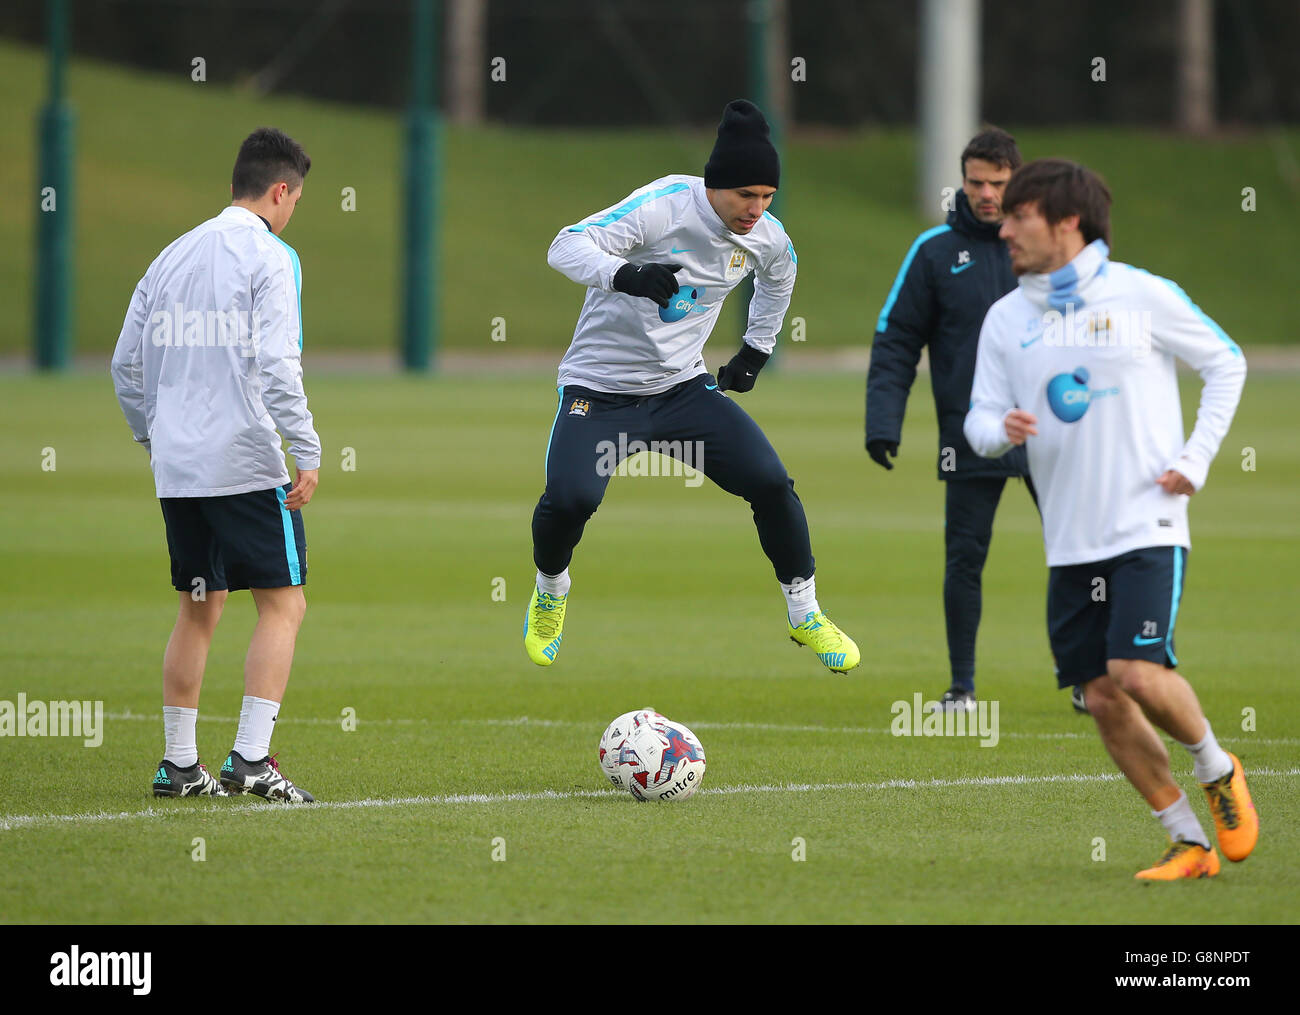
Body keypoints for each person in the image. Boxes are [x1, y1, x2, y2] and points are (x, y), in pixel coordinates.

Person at [964, 158, 1255, 879]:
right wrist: (1001, 427)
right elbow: (974, 422)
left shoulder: (1142, 295)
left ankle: (1218, 768)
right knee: (1099, 694)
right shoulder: (1006, 317)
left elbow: (1227, 363)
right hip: (1068, 540)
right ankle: (1187, 840)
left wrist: (1197, 457)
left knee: (1136, 670)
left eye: (1018, 216)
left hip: (1147, 524)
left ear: (1067, 221)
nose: (1002, 228)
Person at [524, 99, 859, 674]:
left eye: (767, 198)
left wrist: (756, 350)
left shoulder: (766, 237)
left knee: (772, 483)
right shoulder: (662, 207)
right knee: (570, 500)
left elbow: (779, 279)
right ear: (714, 185)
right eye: (745, 196)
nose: (756, 210)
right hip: (598, 392)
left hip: (681, 391)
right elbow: (564, 245)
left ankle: (804, 614)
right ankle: (551, 590)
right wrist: (626, 273)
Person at [110, 127, 319, 804]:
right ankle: (252, 759)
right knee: (284, 603)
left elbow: (124, 366)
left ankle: (178, 765)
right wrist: (307, 450)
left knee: (199, 605)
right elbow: (278, 364)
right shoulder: (272, 254)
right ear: (280, 191)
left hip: (179, 465)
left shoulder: (171, 254)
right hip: (244, 460)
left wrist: (155, 438)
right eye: (296, 199)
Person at [867, 129, 1079, 713]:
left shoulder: (1052, 248)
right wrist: (884, 419)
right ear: (962, 181)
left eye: (998, 183)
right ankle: (962, 688)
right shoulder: (935, 251)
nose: (986, 194)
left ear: (1019, 181)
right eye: (975, 182)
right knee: (964, 558)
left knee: (1075, 550)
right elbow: (897, 338)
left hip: (1053, 430)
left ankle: (1085, 676)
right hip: (970, 430)